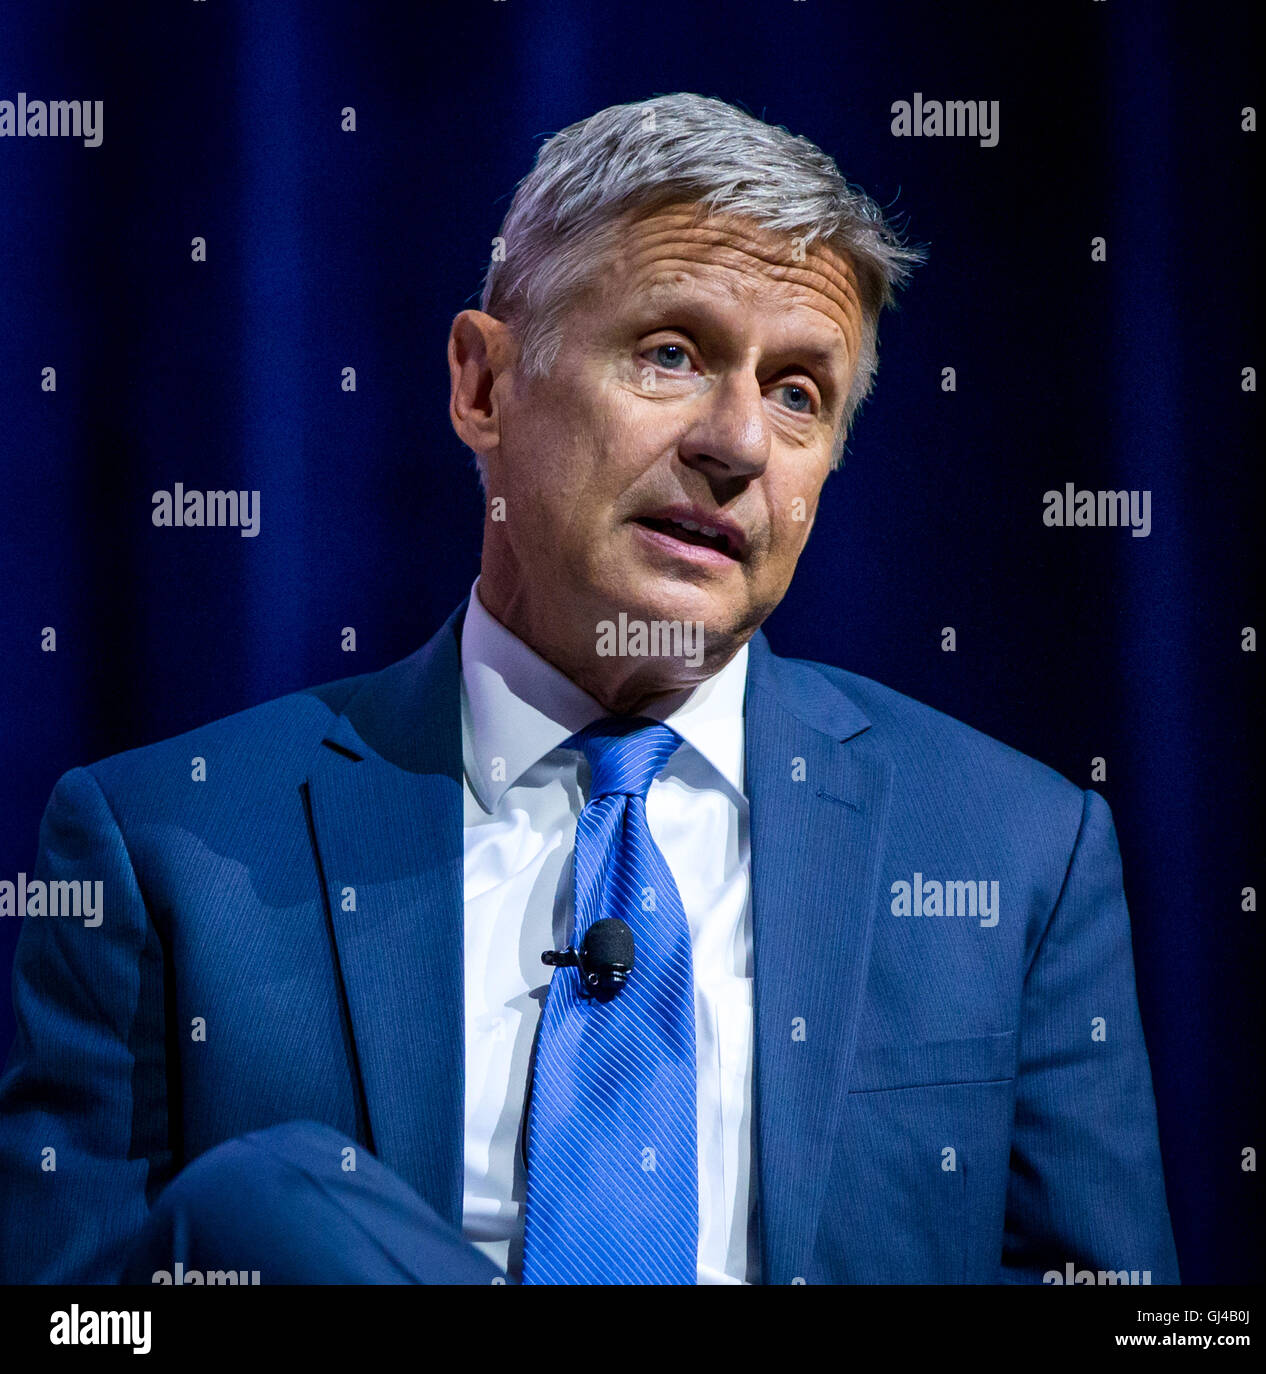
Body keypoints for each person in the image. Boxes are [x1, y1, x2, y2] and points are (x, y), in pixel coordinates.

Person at [0, 92, 1178, 1285]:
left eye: (797, 393)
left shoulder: (1015, 848)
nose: (739, 444)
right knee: (274, 1206)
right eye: (671, 354)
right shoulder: (169, 845)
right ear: (483, 387)